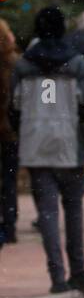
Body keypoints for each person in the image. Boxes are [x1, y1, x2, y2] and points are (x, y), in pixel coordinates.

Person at [10, 7, 84, 294]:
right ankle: (78, 269)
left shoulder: (23, 66)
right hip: (69, 146)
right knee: (73, 211)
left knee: (47, 214)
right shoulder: (77, 63)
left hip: (36, 147)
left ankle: (57, 276)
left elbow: (14, 109)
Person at [0, 19, 19, 249]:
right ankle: (10, 225)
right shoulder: (15, 64)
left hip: (8, 128)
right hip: (10, 131)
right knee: (9, 180)